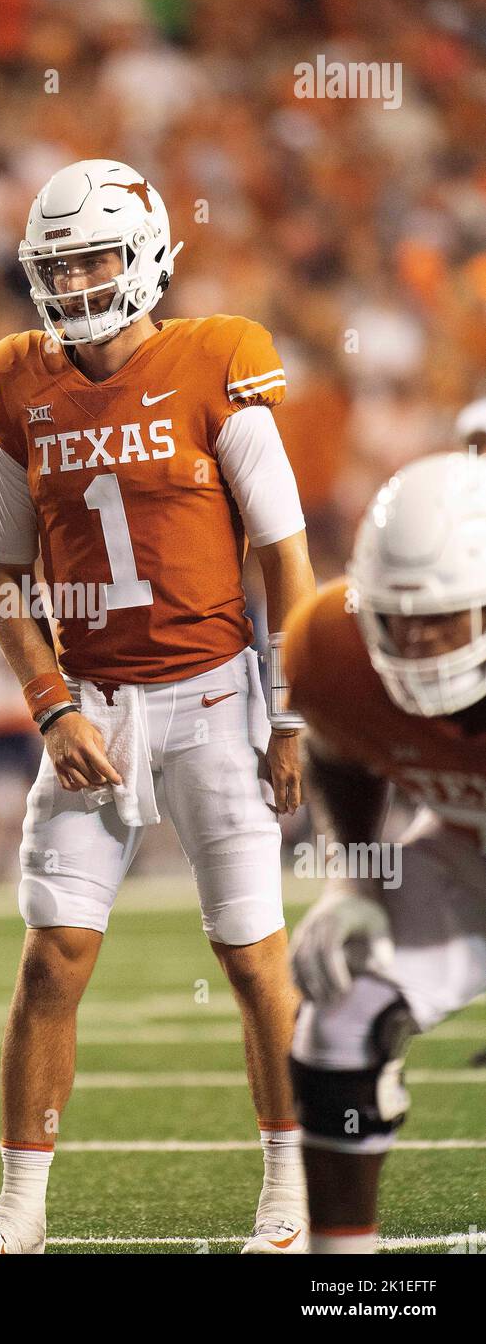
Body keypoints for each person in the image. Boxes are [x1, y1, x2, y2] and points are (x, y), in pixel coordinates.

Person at [0, 159, 316, 1254]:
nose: (74, 281)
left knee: (253, 957)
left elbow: (285, 560)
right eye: (56, 264)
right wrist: (50, 707)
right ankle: (19, 1210)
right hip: (96, 706)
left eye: (95, 256)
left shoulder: (219, 359)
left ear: (149, 249)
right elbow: (3, 574)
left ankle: (290, 1195)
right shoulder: (18, 381)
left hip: (214, 697)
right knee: (48, 959)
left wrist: (290, 712)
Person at [286, 451, 486, 1254]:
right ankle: (343, 1276)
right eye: (395, 616)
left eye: (442, 614)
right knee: (340, 1007)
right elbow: (338, 748)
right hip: (466, 850)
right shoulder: (330, 649)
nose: (416, 639)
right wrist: (352, 878)